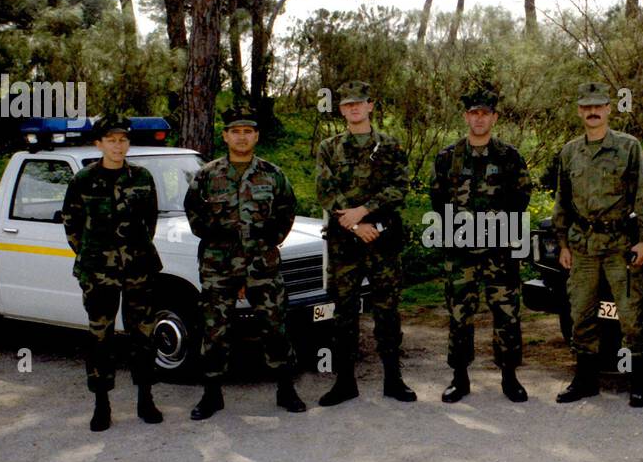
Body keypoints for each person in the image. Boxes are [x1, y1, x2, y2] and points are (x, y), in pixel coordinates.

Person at [184, 104, 306, 421]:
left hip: (262, 265)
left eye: (247, 132)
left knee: (275, 326)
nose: (241, 137)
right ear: (225, 136)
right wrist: (221, 237)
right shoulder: (207, 176)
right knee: (214, 331)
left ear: (256, 136)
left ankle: (286, 388)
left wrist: (266, 241)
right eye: (235, 132)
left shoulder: (273, 174)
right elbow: (195, 217)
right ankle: (212, 394)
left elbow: (286, 212)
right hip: (218, 266)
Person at [551, 82, 643, 407]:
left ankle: (639, 382)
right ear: (579, 110)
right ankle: (585, 380)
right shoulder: (570, 152)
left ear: (609, 109)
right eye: (586, 107)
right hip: (582, 247)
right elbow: (562, 202)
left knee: (629, 314)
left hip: (618, 246)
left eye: (598, 106)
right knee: (581, 313)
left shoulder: (628, 147)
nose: (592, 112)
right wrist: (563, 243)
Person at [429, 81, 533, 403]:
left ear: (494, 118)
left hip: (499, 252)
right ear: (465, 117)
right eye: (473, 113)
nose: (478, 119)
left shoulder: (509, 157)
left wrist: (495, 229)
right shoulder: (449, 158)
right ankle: (459, 377)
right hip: (461, 252)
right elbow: (437, 199)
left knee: (506, 314)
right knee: (460, 314)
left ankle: (509, 377)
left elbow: (522, 197)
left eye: (484, 113)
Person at [315, 81, 416, 406]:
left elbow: (400, 187)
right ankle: (345, 382)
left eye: (359, 103)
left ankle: (393, 379)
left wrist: (365, 211)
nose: (354, 108)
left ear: (371, 105)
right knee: (343, 313)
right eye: (347, 104)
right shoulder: (329, 147)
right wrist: (356, 223)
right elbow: (326, 190)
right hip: (345, 244)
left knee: (387, 311)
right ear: (341, 109)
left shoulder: (389, 146)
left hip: (382, 241)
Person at [61, 115, 163, 432]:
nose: (118, 145)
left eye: (123, 140)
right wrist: (94, 256)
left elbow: (150, 221)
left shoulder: (143, 178)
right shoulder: (83, 180)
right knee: (99, 338)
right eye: (111, 140)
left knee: (143, 336)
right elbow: (71, 224)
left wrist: (133, 252)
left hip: (138, 269)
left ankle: (145, 399)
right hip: (98, 272)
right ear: (99, 144)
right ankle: (101, 404)